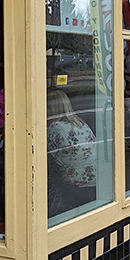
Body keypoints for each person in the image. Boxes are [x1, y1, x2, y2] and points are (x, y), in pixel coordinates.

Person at [46, 88, 97, 217]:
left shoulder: (54, 127)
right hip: (94, 182)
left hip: (73, 186)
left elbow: (44, 155)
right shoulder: (80, 123)